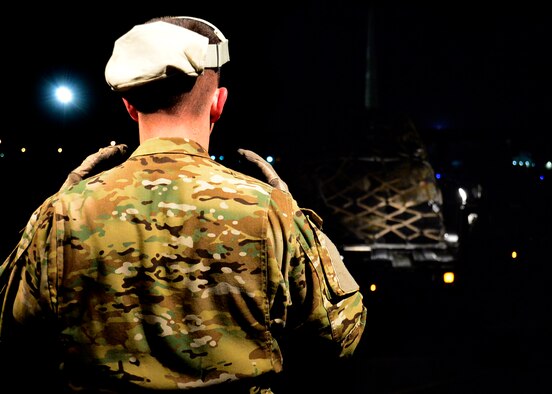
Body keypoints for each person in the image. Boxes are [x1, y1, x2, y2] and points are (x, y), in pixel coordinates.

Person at [0, 15, 367, 393]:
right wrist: (299, 221)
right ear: (218, 103)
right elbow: (343, 335)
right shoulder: (270, 210)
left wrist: (54, 210)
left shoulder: (62, 215)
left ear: (129, 105)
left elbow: (12, 338)